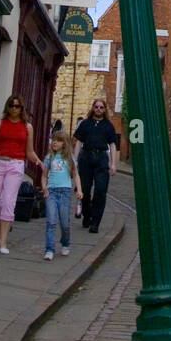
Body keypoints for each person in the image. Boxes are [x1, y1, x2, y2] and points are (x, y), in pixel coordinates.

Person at [0, 94, 43, 255]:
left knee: (9, 202)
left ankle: (3, 242)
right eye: (11, 105)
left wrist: (38, 161)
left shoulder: (27, 127)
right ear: (7, 107)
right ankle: (0, 230)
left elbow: (29, 151)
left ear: (22, 108)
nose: (14, 109)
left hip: (15, 165)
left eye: (17, 106)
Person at [73, 98, 118, 233]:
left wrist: (113, 163)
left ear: (104, 110)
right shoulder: (85, 124)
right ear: (92, 108)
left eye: (101, 107)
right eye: (96, 107)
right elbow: (78, 142)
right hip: (86, 157)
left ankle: (95, 222)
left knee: (100, 191)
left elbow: (113, 145)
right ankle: (87, 215)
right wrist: (74, 162)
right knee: (84, 191)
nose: (98, 109)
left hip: (101, 159)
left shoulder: (108, 126)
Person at [41, 131, 81, 260]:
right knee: (51, 222)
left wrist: (79, 190)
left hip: (65, 192)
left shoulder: (70, 158)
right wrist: (44, 187)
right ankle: (49, 249)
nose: (54, 142)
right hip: (51, 192)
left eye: (58, 140)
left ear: (64, 143)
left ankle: (65, 243)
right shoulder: (49, 157)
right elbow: (44, 175)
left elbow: (75, 174)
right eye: (53, 140)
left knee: (65, 223)